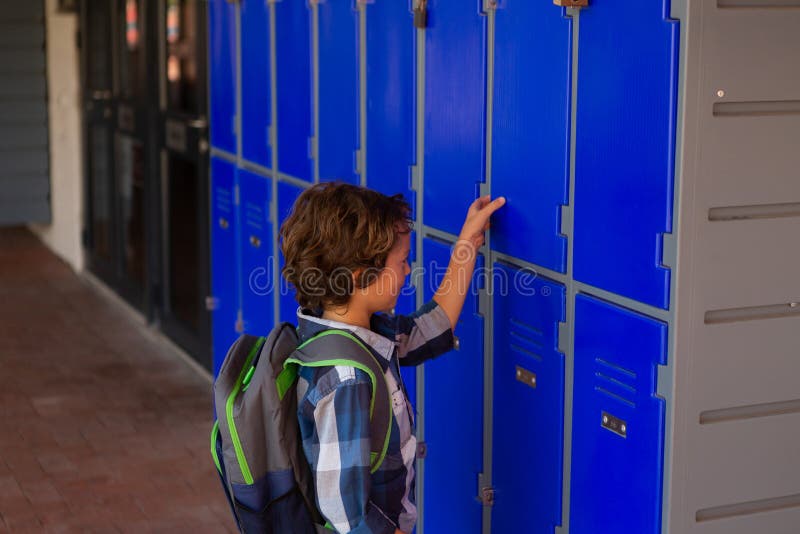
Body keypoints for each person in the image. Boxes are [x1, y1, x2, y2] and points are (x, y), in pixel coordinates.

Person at [279, 182, 505, 534]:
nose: (408, 271)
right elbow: (348, 516)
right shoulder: (344, 377)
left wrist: (468, 245)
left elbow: (433, 327)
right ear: (359, 276)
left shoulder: (365, 333)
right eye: (402, 262)